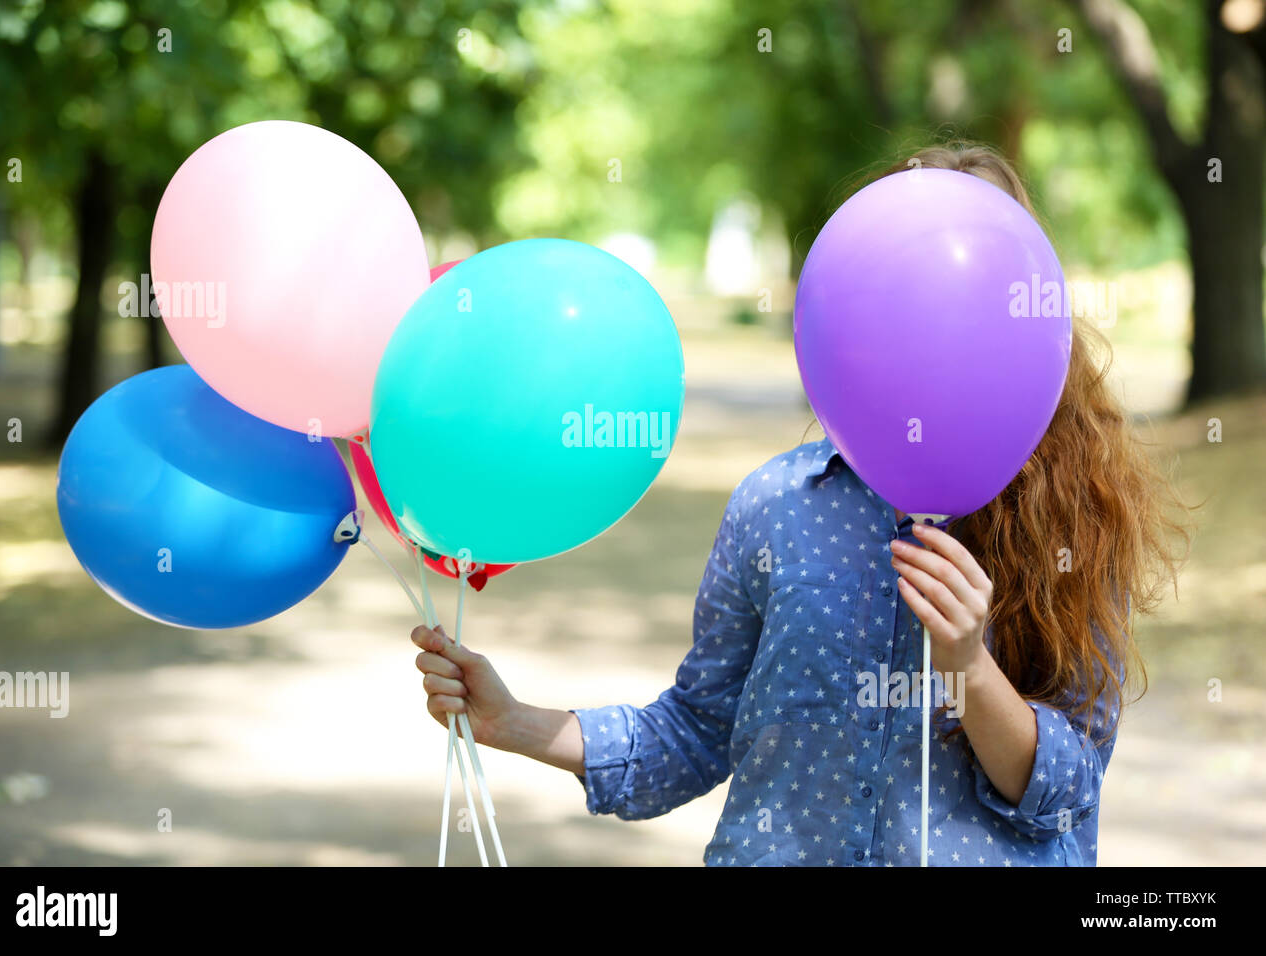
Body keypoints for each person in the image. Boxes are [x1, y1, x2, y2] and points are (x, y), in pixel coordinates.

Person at [410, 142, 1192, 866]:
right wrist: (514, 723)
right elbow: (694, 731)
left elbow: (1065, 793)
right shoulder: (777, 505)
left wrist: (968, 669)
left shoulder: (1072, 515)